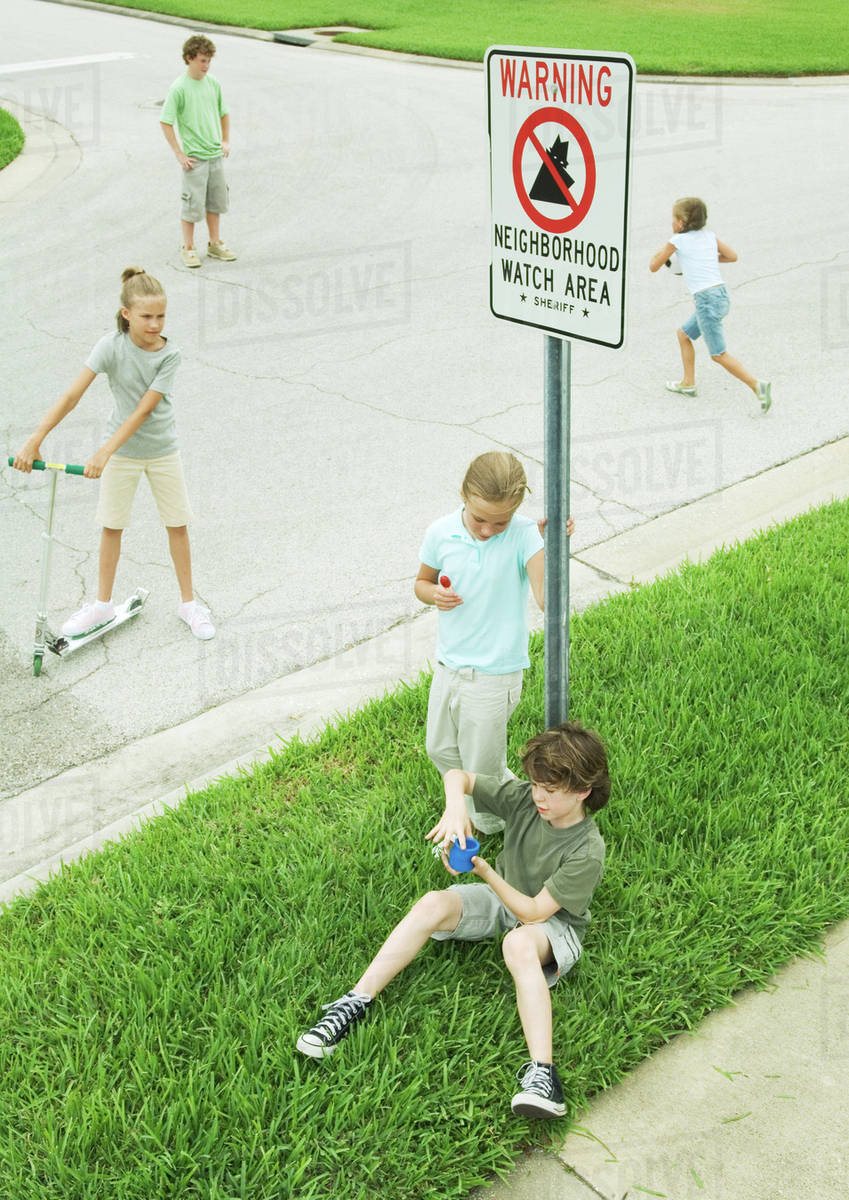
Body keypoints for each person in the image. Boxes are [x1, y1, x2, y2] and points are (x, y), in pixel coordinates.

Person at [295, 720, 610, 1120]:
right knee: (431, 904)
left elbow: (532, 912)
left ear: (583, 791)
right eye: (535, 785)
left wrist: (484, 871)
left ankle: (544, 1076)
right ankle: (354, 1002)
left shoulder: (587, 849)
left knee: (517, 943)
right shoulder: (525, 800)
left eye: (550, 790)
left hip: (552, 925)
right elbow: (457, 777)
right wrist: (456, 807)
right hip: (503, 898)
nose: (538, 796)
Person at [12, 268, 215, 641]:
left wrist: (103, 452)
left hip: (160, 450)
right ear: (126, 314)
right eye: (146, 316)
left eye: (161, 316)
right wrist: (35, 439)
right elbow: (72, 396)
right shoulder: (109, 347)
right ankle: (102, 604)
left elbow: (142, 411)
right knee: (111, 525)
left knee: (177, 524)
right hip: (121, 452)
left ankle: (189, 604)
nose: (155, 324)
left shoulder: (170, 354)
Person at [415, 451, 572, 836]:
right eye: (479, 519)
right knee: (439, 748)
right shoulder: (440, 532)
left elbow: (546, 598)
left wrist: (554, 548)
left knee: (482, 765)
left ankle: (493, 821)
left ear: (516, 510)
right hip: (449, 665)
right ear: (464, 496)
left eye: (500, 522)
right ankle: (493, 800)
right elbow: (421, 583)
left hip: (495, 674)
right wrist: (434, 594)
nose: (487, 530)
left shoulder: (524, 535)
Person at [650, 196, 772, 412]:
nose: (671, 223)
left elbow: (653, 265)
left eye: (673, 219)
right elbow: (732, 256)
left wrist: (666, 246)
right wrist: (703, 259)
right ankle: (688, 383)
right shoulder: (709, 236)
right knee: (683, 334)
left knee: (718, 354)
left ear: (681, 223)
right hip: (720, 296)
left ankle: (757, 386)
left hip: (706, 301)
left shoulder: (677, 240)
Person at [160, 35, 236, 269]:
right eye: (202, 61)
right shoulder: (179, 88)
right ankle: (189, 247)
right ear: (189, 58)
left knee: (216, 202)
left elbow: (224, 113)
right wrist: (179, 154)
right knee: (192, 206)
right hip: (195, 159)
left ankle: (214, 243)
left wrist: (225, 140)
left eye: (209, 61)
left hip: (215, 156)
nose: (206, 66)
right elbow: (166, 122)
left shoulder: (213, 83)